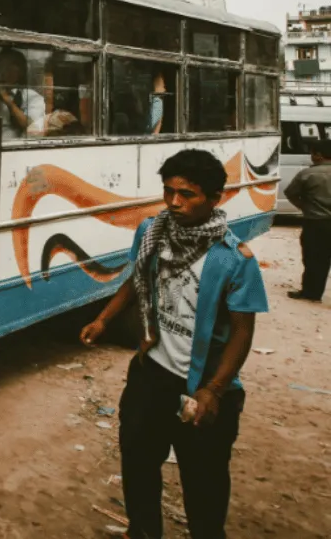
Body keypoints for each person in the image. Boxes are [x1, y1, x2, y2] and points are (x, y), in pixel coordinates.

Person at [79, 148, 268, 539]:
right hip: (150, 375)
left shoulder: (234, 259)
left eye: (188, 195)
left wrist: (214, 390)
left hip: (201, 386)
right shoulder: (151, 232)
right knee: (139, 463)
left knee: (204, 483)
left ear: (216, 198)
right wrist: (103, 319)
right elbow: (136, 280)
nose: (174, 203)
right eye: (168, 191)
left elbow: (242, 332)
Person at [283, 139, 331, 302]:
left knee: (314, 259)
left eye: (312, 153)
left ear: (318, 155)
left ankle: (312, 293)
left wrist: (304, 206)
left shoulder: (307, 174)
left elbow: (290, 193)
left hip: (315, 223)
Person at [0, 47, 45, 141]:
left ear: (20, 72)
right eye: (0, 67)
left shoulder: (33, 97)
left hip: (16, 149)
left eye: (7, 67)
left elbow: (33, 128)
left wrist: (7, 100)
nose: (2, 72)